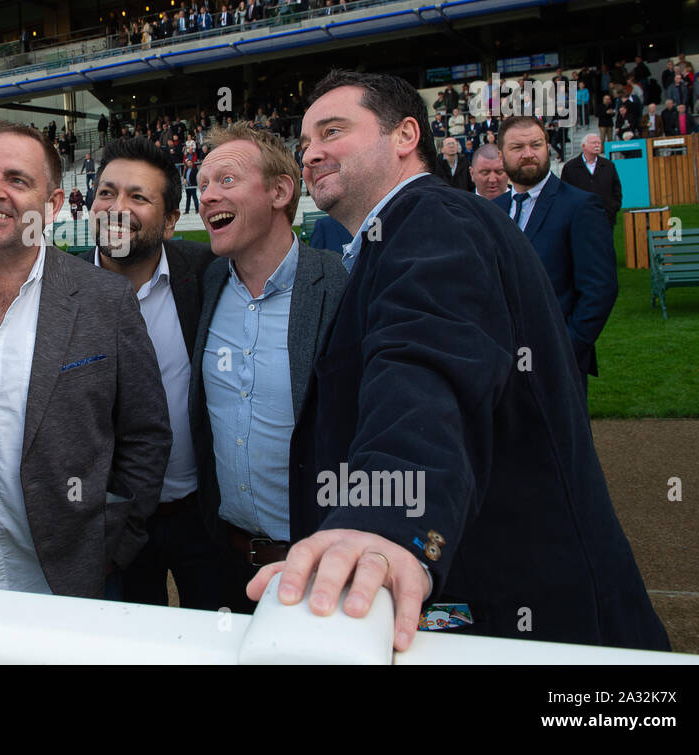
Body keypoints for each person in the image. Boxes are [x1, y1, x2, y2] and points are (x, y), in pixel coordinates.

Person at [247, 69, 667, 652]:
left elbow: (428, 366)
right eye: (305, 142)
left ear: (404, 136)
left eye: (333, 131)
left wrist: (387, 520)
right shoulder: (399, 231)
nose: (311, 153)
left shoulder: (431, 220)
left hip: (534, 627)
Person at [0, 120, 171, 599]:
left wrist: (114, 540)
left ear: (52, 205)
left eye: (16, 179)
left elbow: (145, 434)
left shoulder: (104, 299)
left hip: (71, 581)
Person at [192, 124, 349, 612]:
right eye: (201, 185)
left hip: (319, 570)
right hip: (225, 562)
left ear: (281, 191)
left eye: (226, 180)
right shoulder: (207, 280)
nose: (208, 195)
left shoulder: (340, 285)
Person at [82, 137, 221, 609]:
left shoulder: (207, 274)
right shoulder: (57, 291)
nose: (116, 207)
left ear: (168, 221)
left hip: (201, 514)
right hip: (110, 520)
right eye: (106, 192)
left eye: (138, 197)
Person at [496, 116, 618, 390]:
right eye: (517, 147)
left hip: (557, 366)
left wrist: (566, 348)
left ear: (547, 148)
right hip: (502, 363)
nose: (529, 154)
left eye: (536, 145)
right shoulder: (495, 209)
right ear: (501, 153)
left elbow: (600, 288)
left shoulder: (580, 206)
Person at [561, 133, 623, 228]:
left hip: (605, 218)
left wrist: (613, 207)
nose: (597, 145)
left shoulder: (609, 166)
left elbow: (616, 189)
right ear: (583, 146)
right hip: (579, 219)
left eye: (599, 143)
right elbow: (564, 192)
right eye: (594, 143)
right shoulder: (570, 167)